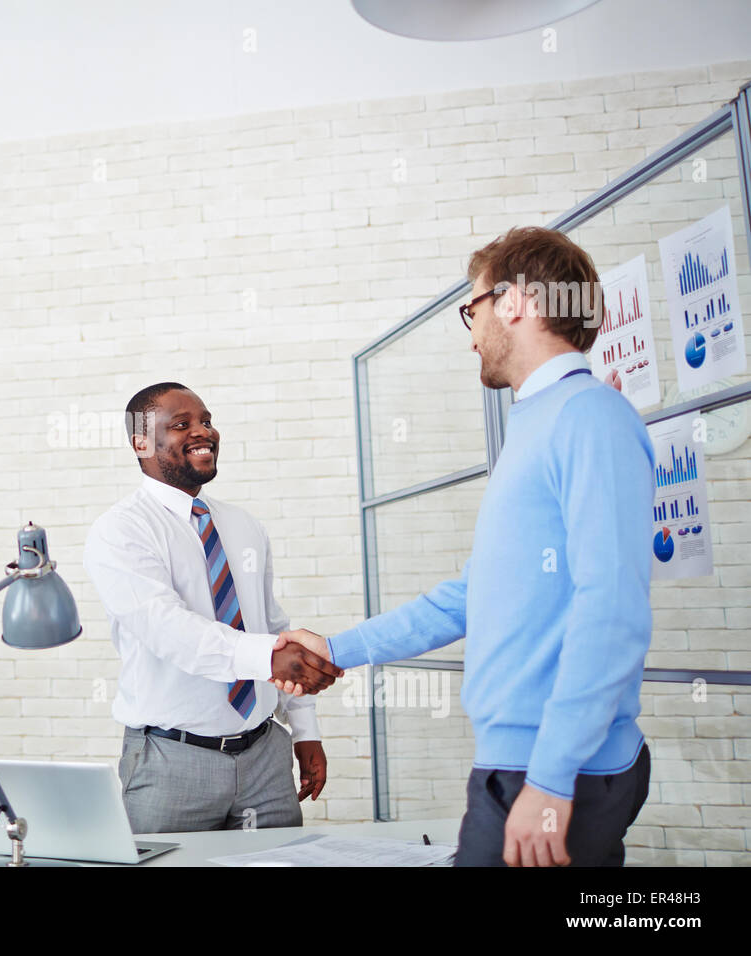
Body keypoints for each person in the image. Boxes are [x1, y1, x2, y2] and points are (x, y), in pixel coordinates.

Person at [276, 227, 655, 866]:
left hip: (563, 772)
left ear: (517, 303)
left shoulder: (590, 417)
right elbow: (472, 595)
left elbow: (612, 612)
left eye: (471, 309)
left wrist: (553, 780)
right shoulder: (537, 421)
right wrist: (338, 649)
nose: (471, 331)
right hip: (519, 765)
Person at [84, 382, 343, 833]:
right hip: (171, 762)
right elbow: (168, 629)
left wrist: (305, 731)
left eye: (206, 420)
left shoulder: (243, 525)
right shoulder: (120, 531)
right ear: (140, 443)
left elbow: (271, 625)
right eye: (181, 425)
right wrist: (268, 656)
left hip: (265, 756)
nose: (202, 432)